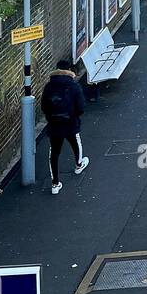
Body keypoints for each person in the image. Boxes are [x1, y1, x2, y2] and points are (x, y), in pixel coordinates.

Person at [40, 59, 89, 195]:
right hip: (70, 122)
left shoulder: (49, 86)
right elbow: (81, 108)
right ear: (69, 70)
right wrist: (74, 116)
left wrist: (52, 117)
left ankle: (55, 183)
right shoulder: (74, 86)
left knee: (54, 153)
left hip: (54, 124)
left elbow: (44, 106)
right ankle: (79, 164)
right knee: (75, 143)